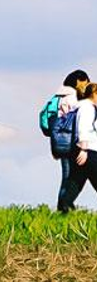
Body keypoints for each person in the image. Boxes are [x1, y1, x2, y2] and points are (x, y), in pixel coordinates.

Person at [53, 70, 88, 212]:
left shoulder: (61, 96)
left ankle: (65, 205)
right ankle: (63, 207)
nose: (85, 85)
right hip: (70, 141)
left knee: (69, 175)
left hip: (62, 141)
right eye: (85, 81)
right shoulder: (72, 97)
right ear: (78, 81)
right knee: (69, 177)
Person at [58, 82, 97, 212]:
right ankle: (65, 205)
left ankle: (65, 206)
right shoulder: (87, 108)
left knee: (76, 181)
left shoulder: (80, 106)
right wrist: (84, 149)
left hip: (83, 150)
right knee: (78, 180)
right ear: (94, 94)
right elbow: (83, 128)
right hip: (88, 150)